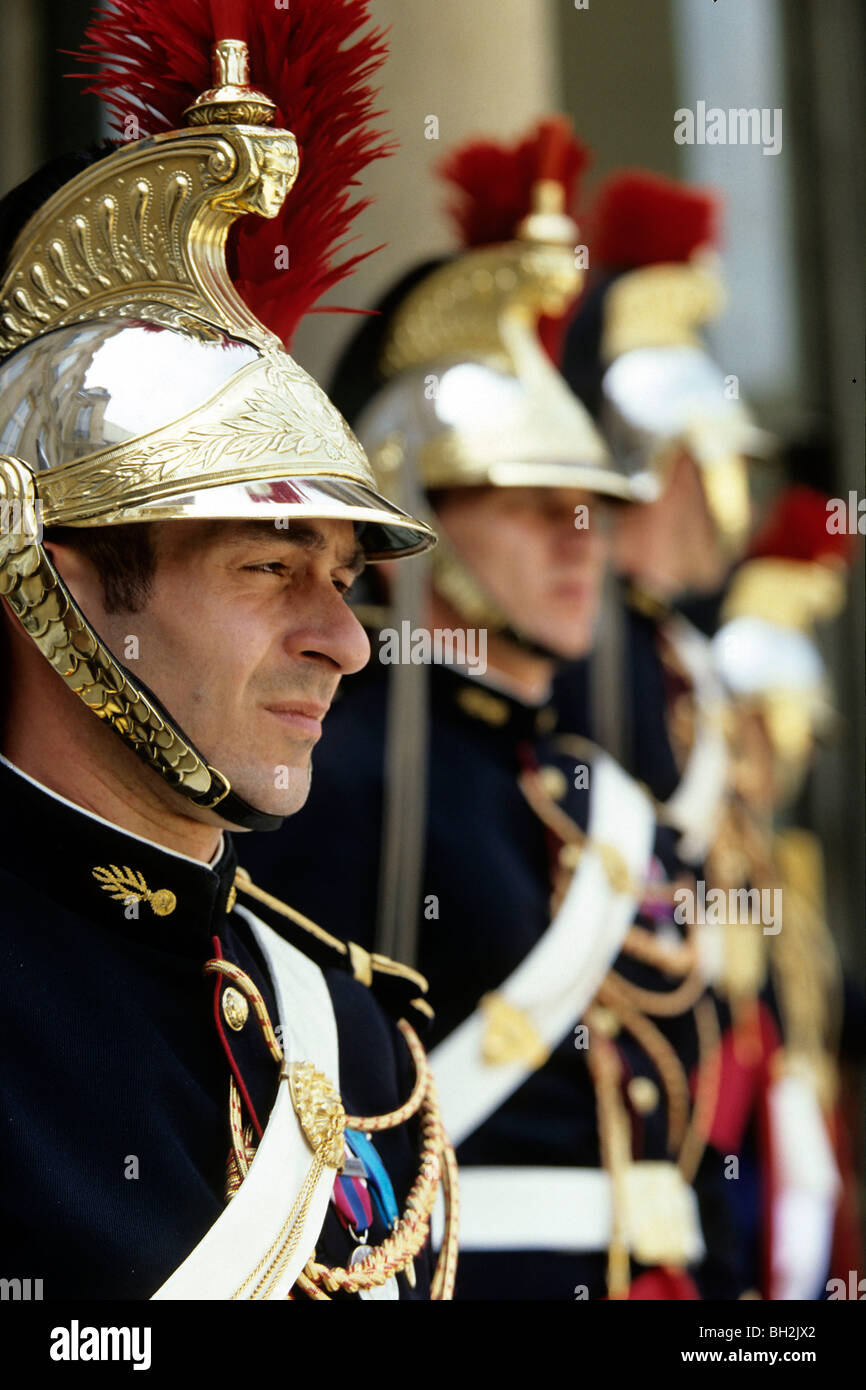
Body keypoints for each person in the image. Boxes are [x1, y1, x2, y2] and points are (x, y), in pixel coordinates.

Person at [241, 120, 745, 1300]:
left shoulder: (596, 788)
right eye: (527, 506)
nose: (579, 542)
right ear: (420, 517)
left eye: (590, 505)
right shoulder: (346, 766)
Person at [0, 2, 457, 1302]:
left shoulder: (351, 1031)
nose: (343, 643)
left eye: (345, 579)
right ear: (56, 581)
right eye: (268, 568)